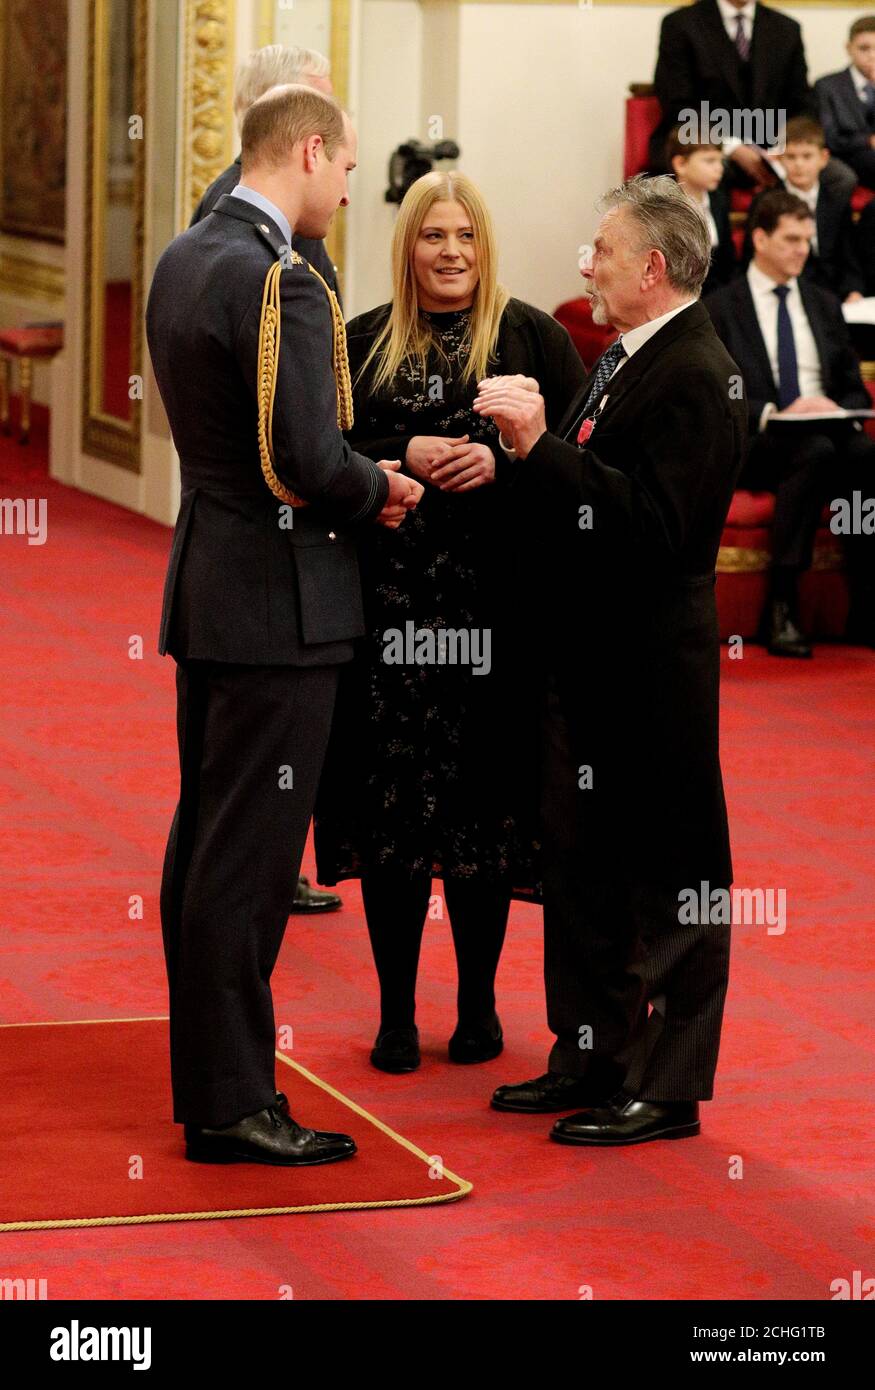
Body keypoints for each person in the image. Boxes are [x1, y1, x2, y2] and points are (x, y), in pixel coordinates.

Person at [146, 85, 422, 1165]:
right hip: (282, 605)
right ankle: (231, 1103)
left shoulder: (184, 253)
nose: (350, 188)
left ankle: (213, 1079)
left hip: (212, 584)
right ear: (307, 151)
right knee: (248, 863)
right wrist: (382, 487)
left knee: (206, 843)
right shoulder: (283, 282)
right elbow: (308, 462)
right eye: (346, 168)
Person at [475, 175, 746, 1146]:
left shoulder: (695, 372)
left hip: (650, 675)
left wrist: (538, 445)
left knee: (670, 875)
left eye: (599, 250)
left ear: (652, 266)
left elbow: (654, 532)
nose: (582, 265)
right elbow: (584, 497)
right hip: (587, 666)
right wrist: (520, 457)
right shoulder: (628, 357)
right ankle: (588, 1053)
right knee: (581, 867)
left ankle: (665, 1087)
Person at [313, 171, 587, 1075]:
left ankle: (476, 1005)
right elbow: (315, 456)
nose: (451, 252)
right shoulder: (358, 343)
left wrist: (506, 462)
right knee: (392, 815)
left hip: (495, 614)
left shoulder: (531, 337)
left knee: (484, 814)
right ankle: (395, 1013)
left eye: (465, 235)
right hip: (388, 621)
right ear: (408, 247)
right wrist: (401, 453)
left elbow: (583, 461)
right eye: (433, 236)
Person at [193, 43, 343, 917]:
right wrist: (374, 483)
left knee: (224, 798)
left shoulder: (222, 231)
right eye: (316, 110)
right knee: (239, 804)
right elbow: (297, 438)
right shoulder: (258, 244)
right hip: (268, 561)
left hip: (230, 556)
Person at [707, 189, 875, 656]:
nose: (803, 248)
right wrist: (774, 411)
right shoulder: (721, 308)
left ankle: (865, 601)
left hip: (824, 429)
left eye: (807, 238)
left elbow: (853, 385)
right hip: (759, 439)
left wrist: (831, 404)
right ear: (759, 238)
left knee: (864, 455)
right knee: (814, 451)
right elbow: (716, 394)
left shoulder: (823, 303)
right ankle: (783, 602)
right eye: (791, 239)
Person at [650, 0, 856, 198]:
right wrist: (732, 147)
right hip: (705, 143)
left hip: (773, 147)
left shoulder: (786, 28)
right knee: (709, 172)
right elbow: (677, 105)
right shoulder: (681, 24)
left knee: (839, 178)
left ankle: (805, 234)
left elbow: (801, 103)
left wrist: (783, 149)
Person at [190, 44, 339, 298]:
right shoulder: (263, 203)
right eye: (319, 107)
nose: (334, 121)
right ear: (274, 109)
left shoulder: (241, 192)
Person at [742, 117, 865, 303]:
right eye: (791, 157)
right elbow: (752, 258)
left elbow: (849, 256)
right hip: (786, 291)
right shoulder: (764, 202)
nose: (799, 164)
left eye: (807, 156)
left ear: (823, 158)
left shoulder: (836, 199)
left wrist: (854, 290)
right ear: (779, 159)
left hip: (835, 294)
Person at [665, 126, 736, 295]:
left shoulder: (719, 200)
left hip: (717, 292)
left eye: (721, 161)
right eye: (710, 161)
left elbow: (728, 258)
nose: (719, 168)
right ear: (680, 164)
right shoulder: (666, 207)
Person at [815, 15, 875, 190]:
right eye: (864, 48)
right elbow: (829, 137)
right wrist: (868, 141)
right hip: (846, 156)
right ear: (849, 48)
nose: (872, 55)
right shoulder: (828, 86)